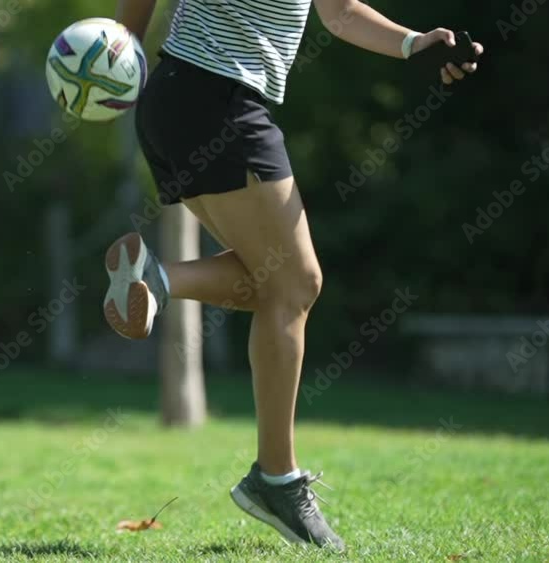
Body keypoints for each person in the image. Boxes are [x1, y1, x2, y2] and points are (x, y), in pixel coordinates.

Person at [104, 0, 483, 550]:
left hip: (175, 99)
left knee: (278, 285)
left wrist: (412, 43)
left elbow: (340, 12)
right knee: (297, 284)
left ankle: (158, 281)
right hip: (219, 100)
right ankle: (276, 479)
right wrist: (122, 49)